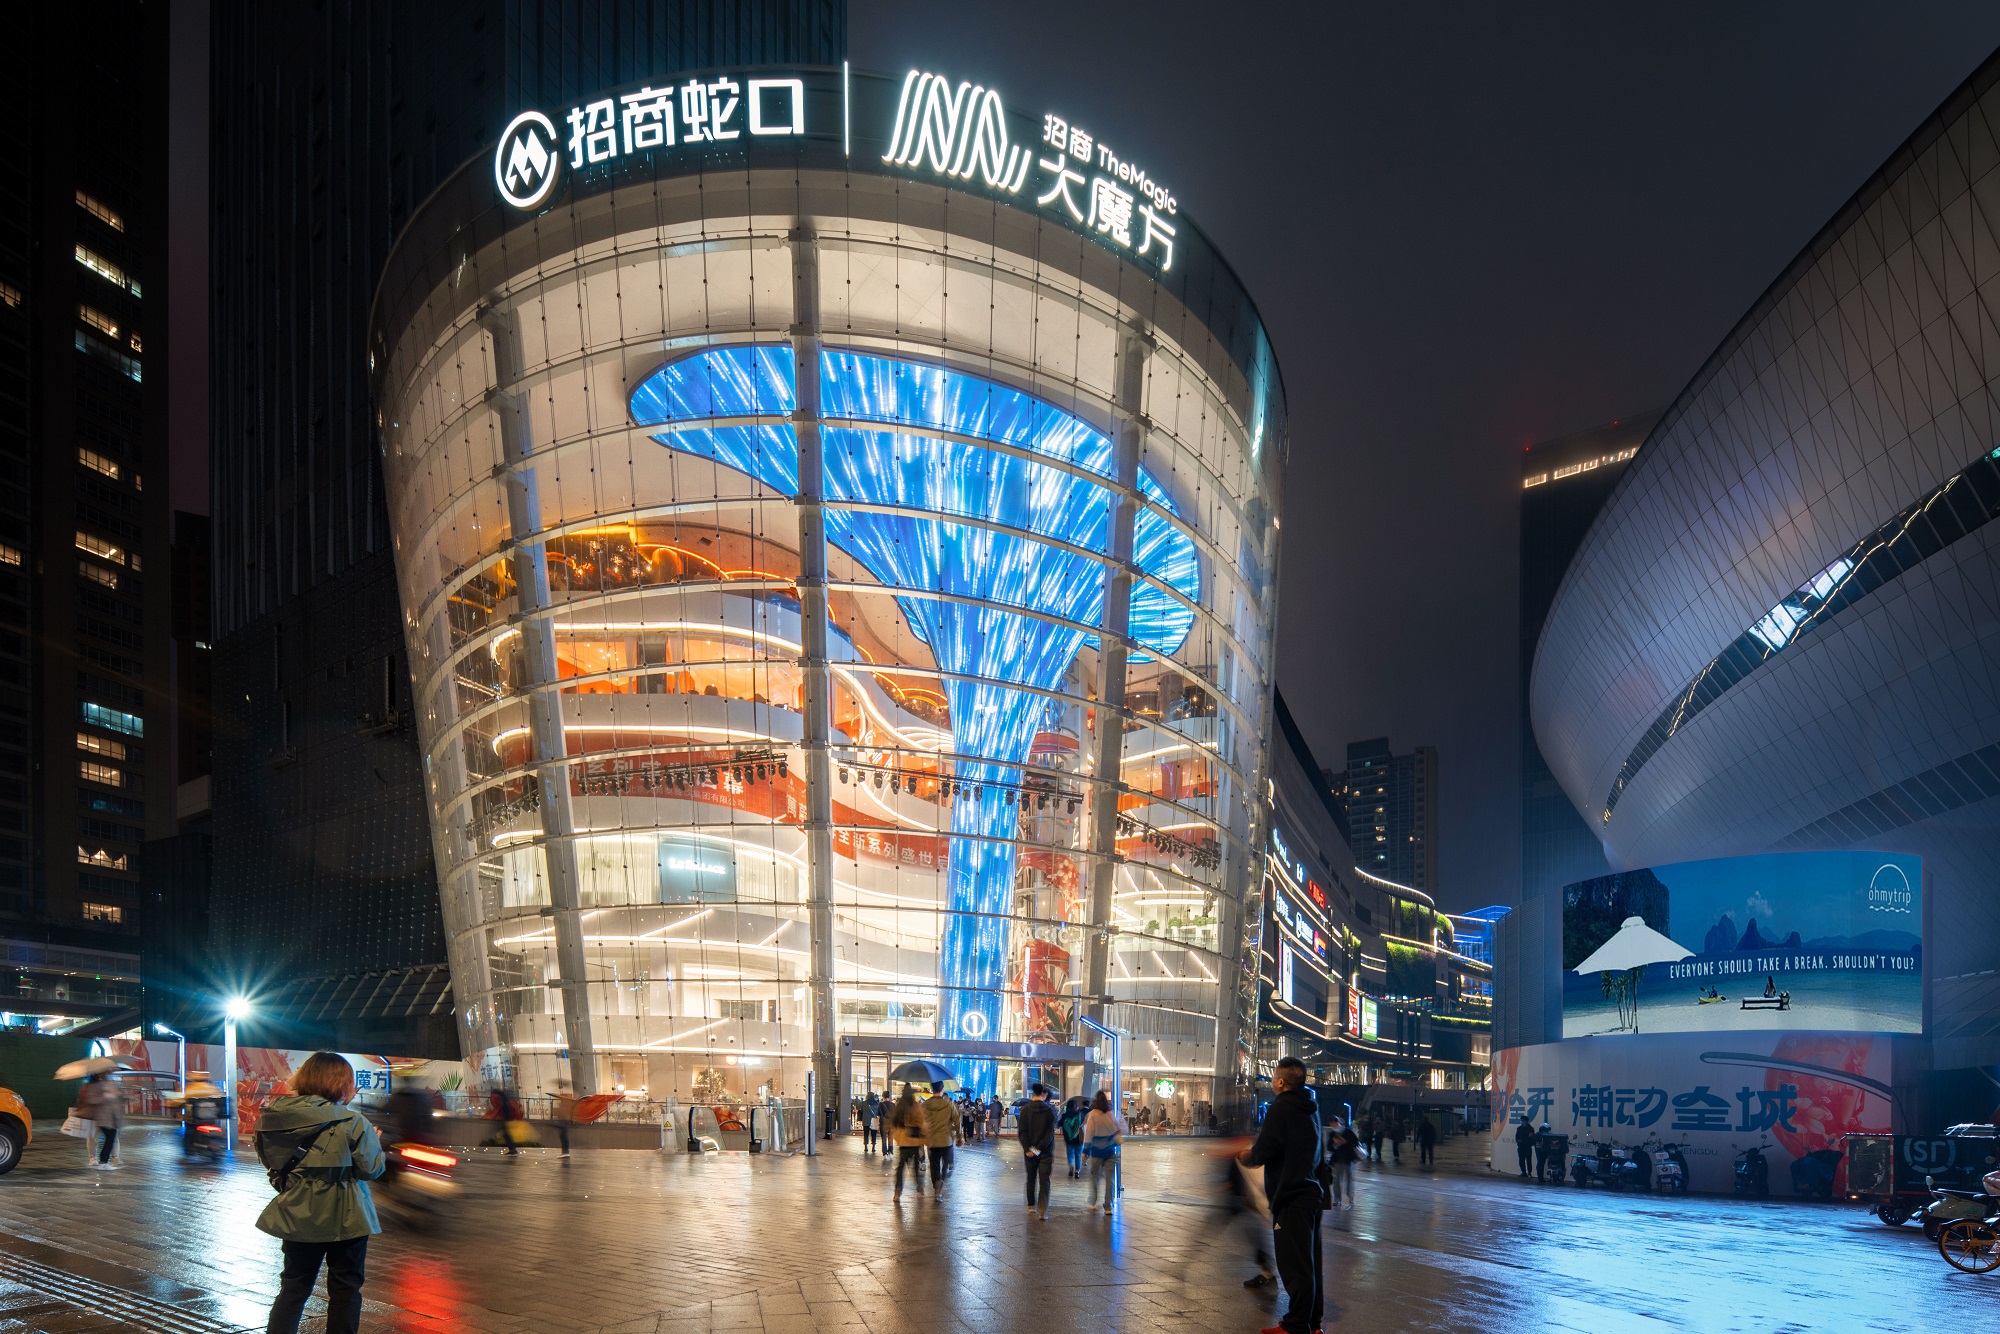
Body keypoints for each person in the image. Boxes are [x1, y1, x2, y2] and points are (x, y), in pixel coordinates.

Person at [255, 1052, 386, 1334]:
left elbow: (273, 1166)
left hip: (296, 1214)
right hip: (347, 1216)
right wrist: (372, 1141)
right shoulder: (353, 1123)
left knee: (293, 1287)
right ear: (343, 1083)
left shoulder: (271, 1120)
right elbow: (371, 1169)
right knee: (345, 1291)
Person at [1241, 1057, 1324, 1334]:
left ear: (1280, 1081)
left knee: (1294, 1268)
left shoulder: (1281, 1109)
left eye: (1274, 1076)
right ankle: (1312, 1324)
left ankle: (1295, 1326)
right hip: (1312, 1195)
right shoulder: (1312, 1108)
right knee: (1310, 1265)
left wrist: (1246, 1156)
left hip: (1290, 1197)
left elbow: (1265, 1149)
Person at [1017, 1083, 1058, 1219]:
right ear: (1043, 1094)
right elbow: (1049, 1134)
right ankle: (1043, 1209)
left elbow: (1022, 1132)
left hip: (1029, 1152)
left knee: (1031, 1177)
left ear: (1032, 1094)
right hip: (1045, 1151)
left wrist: (1028, 1148)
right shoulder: (1049, 1111)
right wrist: (1038, 1148)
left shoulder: (1025, 1111)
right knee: (1044, 1179)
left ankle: (1031, 1205)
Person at [1083, 1089, 1125, 1214]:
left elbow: (1089, 1133)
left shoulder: (1093, 1114)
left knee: (1095, 1177)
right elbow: (1119, 1128)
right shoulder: (1111, 1113)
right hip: (1111, 1151)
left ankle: (1092, 1201)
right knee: (1110, 1180)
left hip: (1096, 1151)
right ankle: (1108, 1206)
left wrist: (1085, 1150)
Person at [76, 1071, 121, 1169]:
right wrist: (105, 1095)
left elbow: (116, 1098)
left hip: (109, 1117)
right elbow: (91, 1100)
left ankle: (112, 1158)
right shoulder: (91, 1085)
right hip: (95, 1116)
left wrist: (116, 1095)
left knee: (112, 1137)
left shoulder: (110, 1083)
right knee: (94, 1137)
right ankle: (96, 1159)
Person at [890, 1086, 927, 1201]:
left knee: (900, 1167)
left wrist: (897, 1137)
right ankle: (919, 1189)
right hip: (914, 1141)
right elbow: (921, 1123)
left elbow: (893, 1124)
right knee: (916, 1167)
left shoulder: (899, 1107)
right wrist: (923, 1139)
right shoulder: (916, 1106)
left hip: (903, 1142)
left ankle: (897, 1192)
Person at [921, 1081, 957, 1198]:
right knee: (945, 1163)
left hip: (932, 1140)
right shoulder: (948, 1104)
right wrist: (960, 1136)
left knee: (934, 1164)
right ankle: (941, 1181)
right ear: (942, 1089)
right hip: (946, 1140)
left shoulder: (925, 1105)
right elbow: (957, 1120)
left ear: (932, 1089)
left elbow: (920, 1121)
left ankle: (937, 1185)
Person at [1326, 1115, 1359, 1208]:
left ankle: (1350, 1198)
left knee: (1349, 1179)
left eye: (1334, 1123)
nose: (1333, 1125)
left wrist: (1345, 1142)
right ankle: (1337, 1199)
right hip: (1337, 1160)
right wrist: (1335, 1143)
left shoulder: (1348, 1132)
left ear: (1338, 1123)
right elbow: (1329, 1147)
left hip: (1348, 1160)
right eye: (1331, 1124)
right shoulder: (1332, 1134)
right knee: (1336, 1180)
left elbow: (1355, 1143)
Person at [1060, 1097, 1087, 1179]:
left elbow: (1060, 1124)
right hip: (1079, 1139)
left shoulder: (1064, 1115)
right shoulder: (1080, 1114)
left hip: (1069, 1139)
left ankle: (1071, 1165)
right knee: (1078, 1155)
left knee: (1070, 1154)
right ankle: (1077, 1172)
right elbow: (1084, 1124)